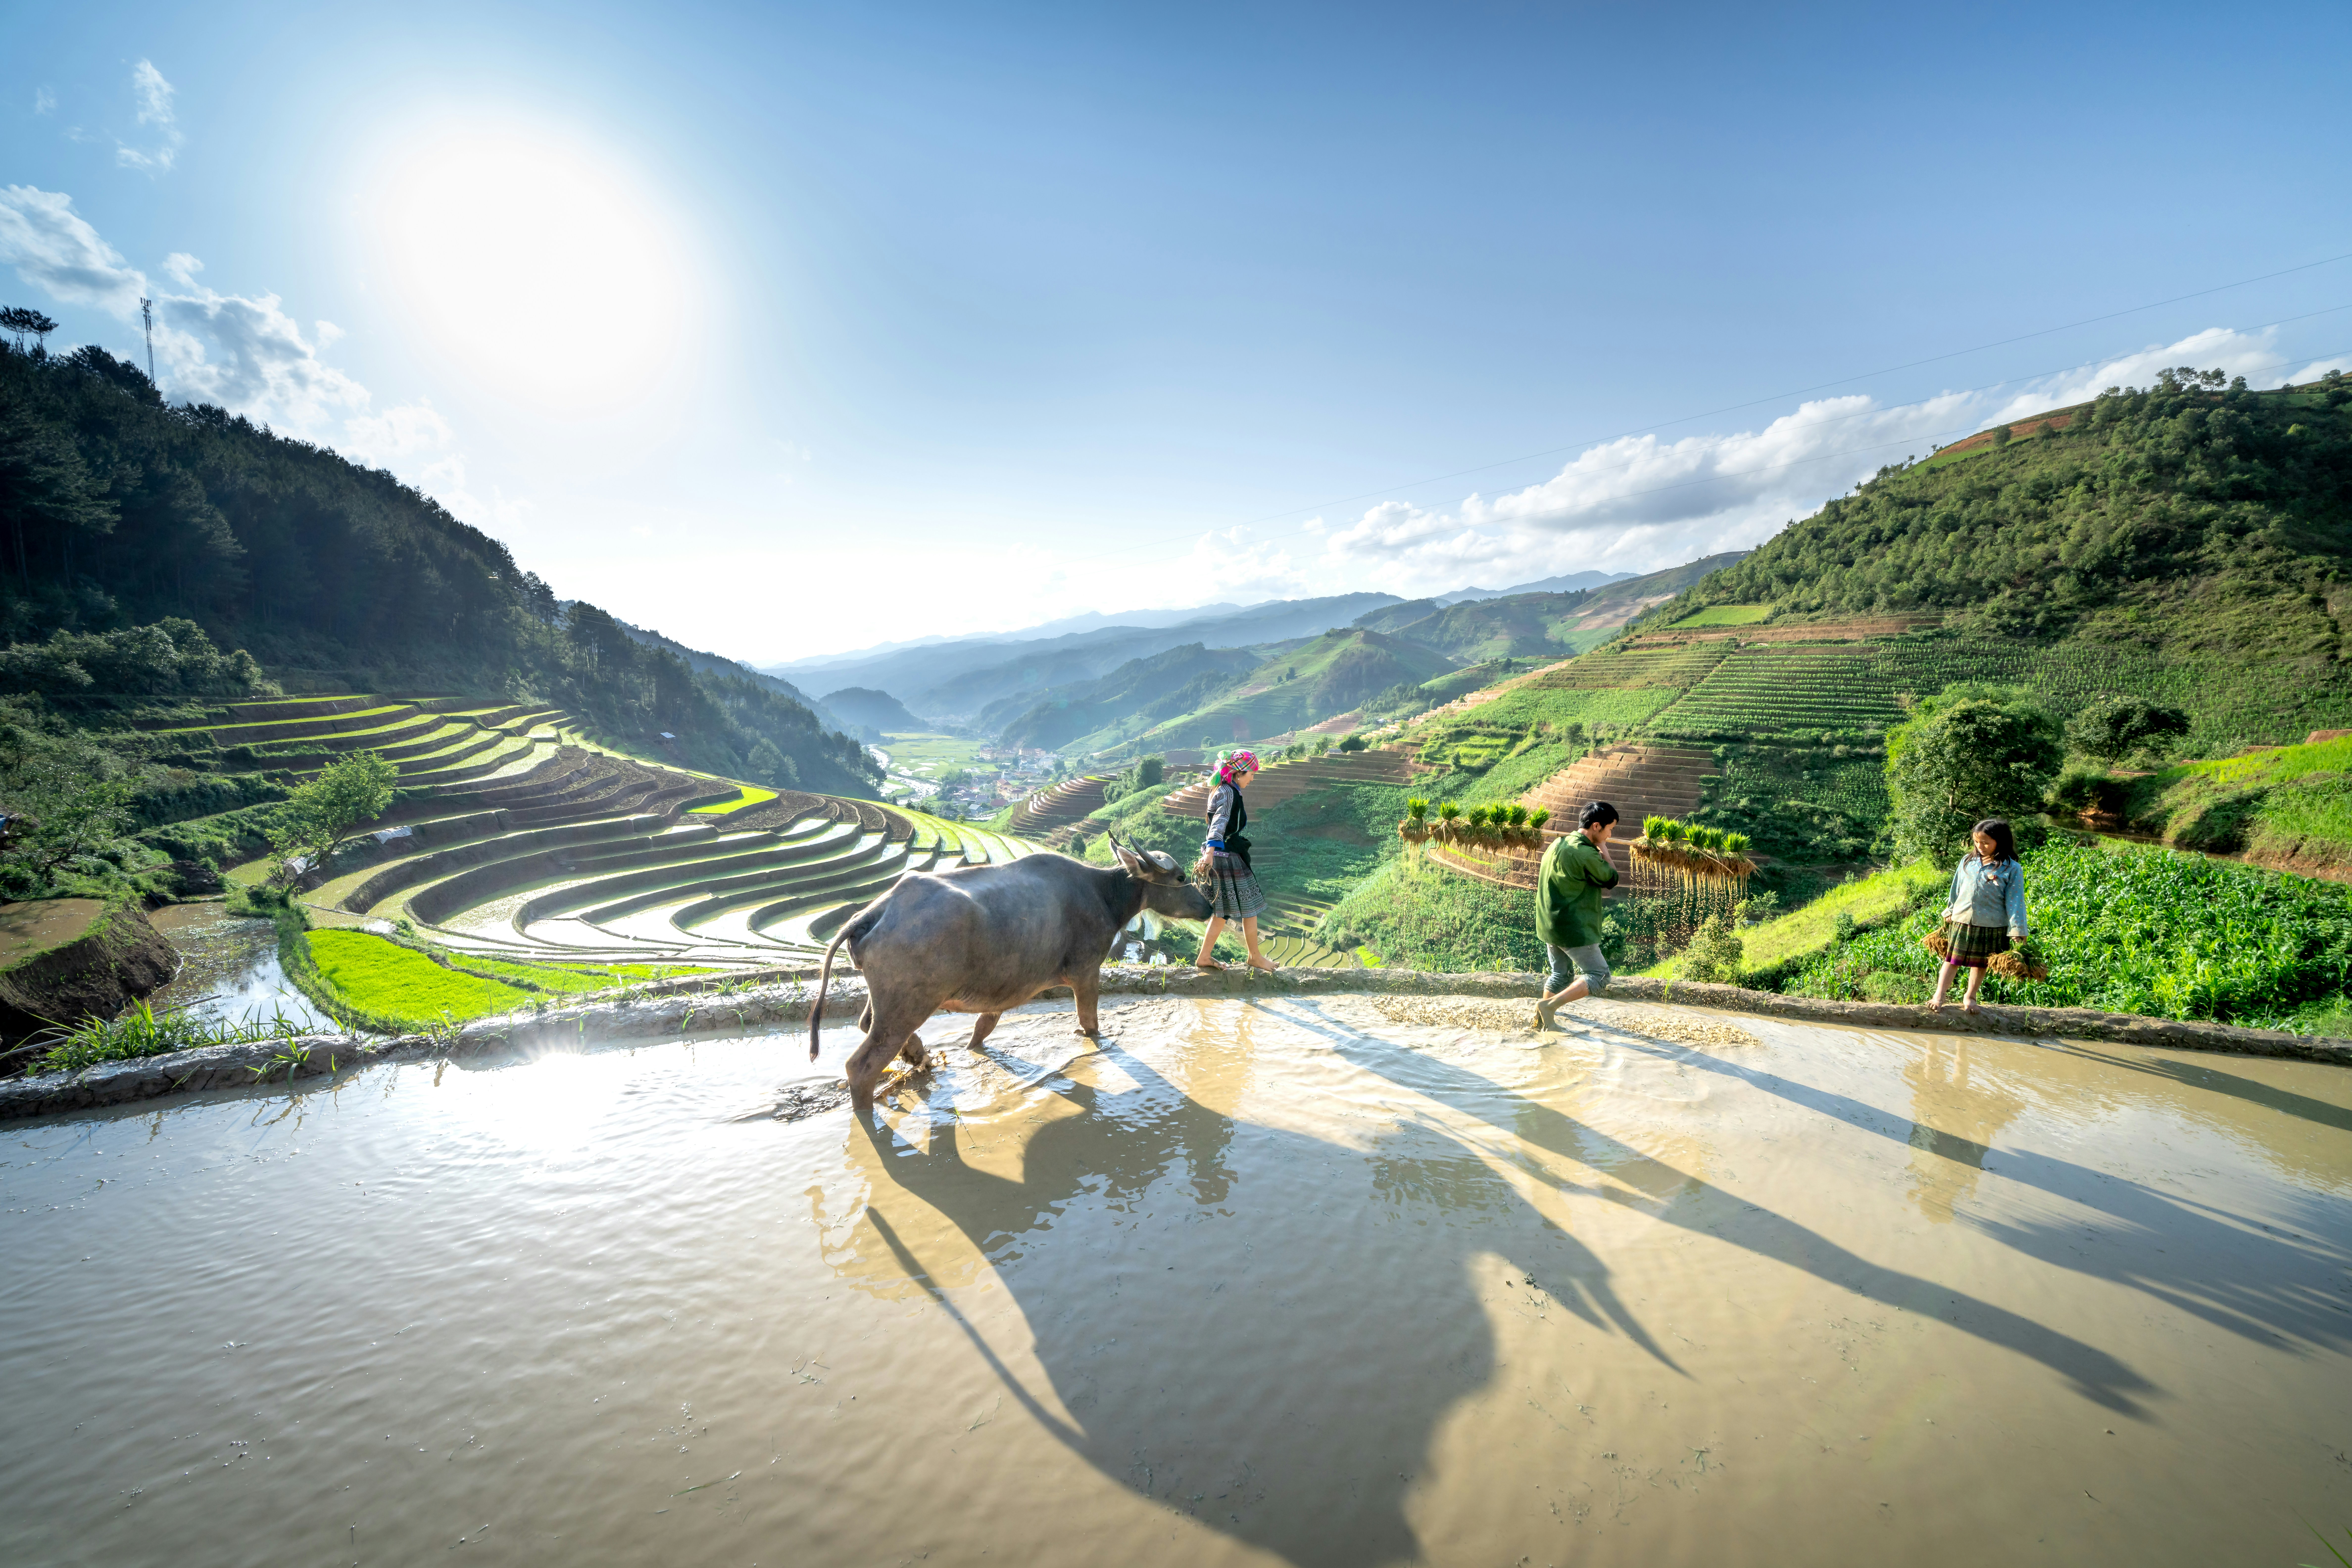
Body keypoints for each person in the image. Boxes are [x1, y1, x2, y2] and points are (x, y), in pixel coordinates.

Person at [1534, 801, 1620, 1031]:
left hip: (1549, 924)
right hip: (1573, 928)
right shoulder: (1585, 854)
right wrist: (1604, 849)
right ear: (1597, 827)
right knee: (1600, 976)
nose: (1610, 835)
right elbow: (1612, 879)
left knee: (1561, 974)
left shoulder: (1558, 843)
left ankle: (1540, 1019)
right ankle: (1550, 1006)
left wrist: (1599, 844)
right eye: (1610, 830)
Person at [1928, 817, 2029, 1014]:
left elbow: (2016, 901)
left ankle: (1970, 997)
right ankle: (1939, 996)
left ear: (2000, 842)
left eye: (1985, 843)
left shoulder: (2011, 868)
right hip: (1962, 920)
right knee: (1951, 960)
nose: (1980, 846)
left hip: (1992, 924)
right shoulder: (1968, 862)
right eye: (1976, 842)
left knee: (1981, 963)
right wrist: (1950, 910)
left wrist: (2017, 930)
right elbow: (1956, 889)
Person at [1194, 749, 1278, 973]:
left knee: (1224, 912)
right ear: (1239, 773)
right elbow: (1219, 823)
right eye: (1251, 773)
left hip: (1226, 854)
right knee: (1248, 907)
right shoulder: (1229, 794)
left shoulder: (1226, 790)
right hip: (1226, 858)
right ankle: (1254, 957)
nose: (1253, 777)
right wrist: (1210, 853)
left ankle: (1206, 957)